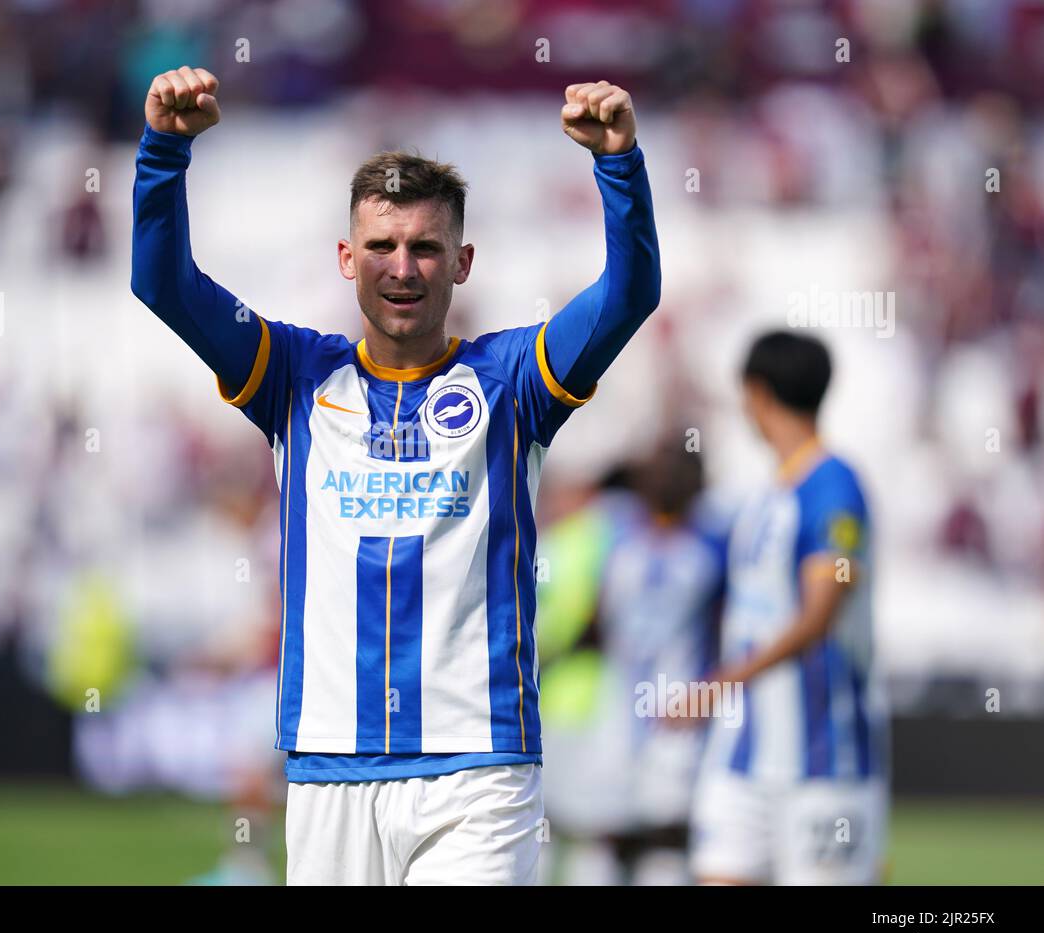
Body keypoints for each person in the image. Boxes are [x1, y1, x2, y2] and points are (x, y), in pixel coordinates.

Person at [131, 66, 660, 884]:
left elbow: (628, 295)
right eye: (381, 245)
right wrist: (164, 151)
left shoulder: (514, 379)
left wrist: (617, 164)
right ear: (347, 257)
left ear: (463, 262)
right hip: (329, 767)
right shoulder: (294, 377)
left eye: (425, 247)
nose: (403, 267)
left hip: (479, 765)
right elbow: (163, 285)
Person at [689, 331, 888, 885]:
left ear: (756, 392)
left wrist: (721, 682)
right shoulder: (765, 496)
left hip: (825, 762)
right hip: (742, 759)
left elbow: (819, 617)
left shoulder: (833, 487)